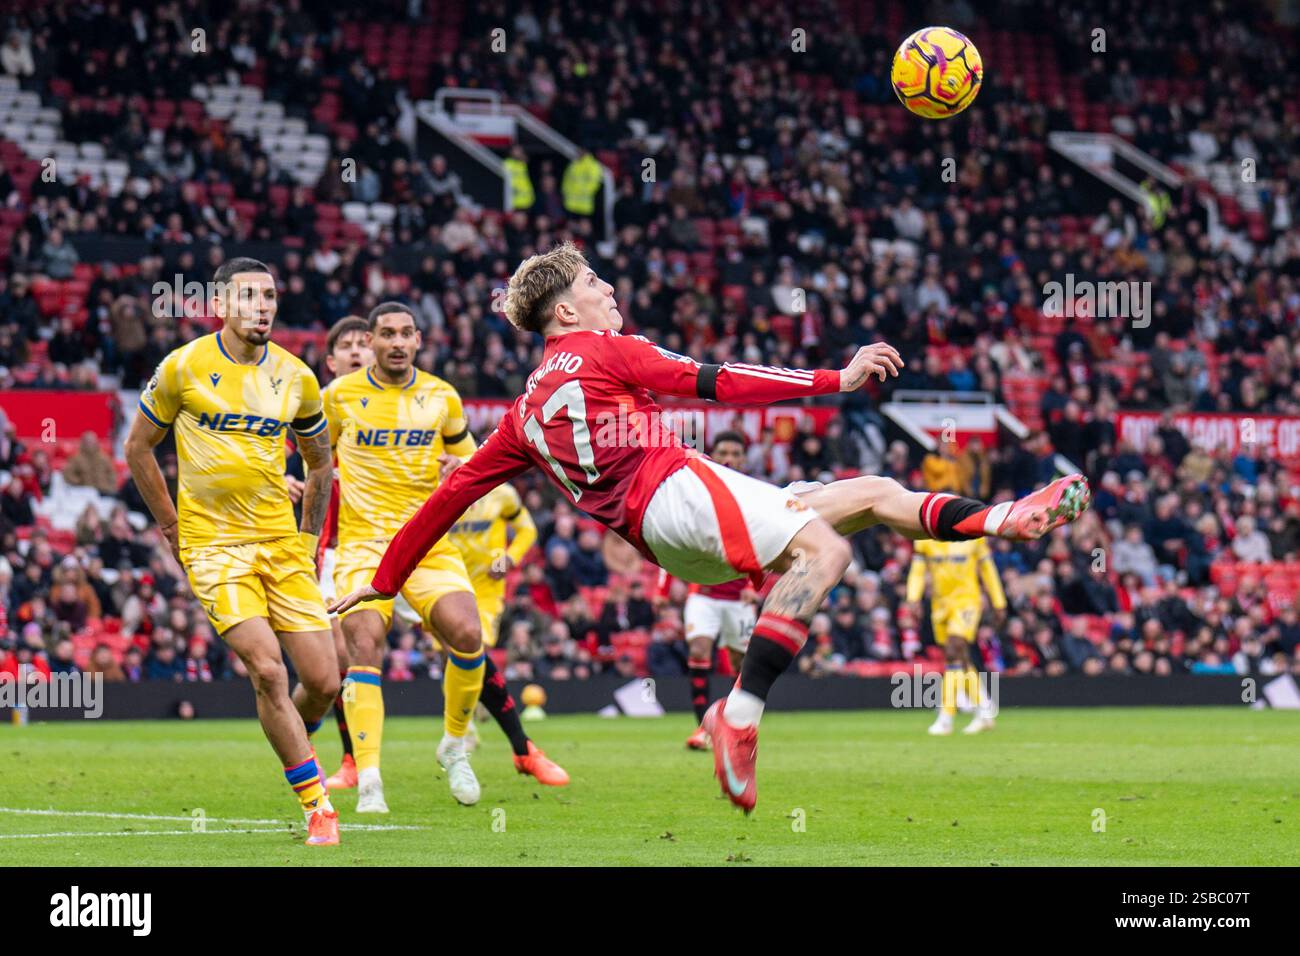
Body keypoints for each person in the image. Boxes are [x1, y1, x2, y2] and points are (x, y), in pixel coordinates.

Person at [331, 242, 1091, 813]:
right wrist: (838, 378)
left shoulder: (522, 414)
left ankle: (1005, 519)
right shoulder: (605, 351)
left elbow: (449, 496)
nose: (610, 290)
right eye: (596, 284)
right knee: (825, 551)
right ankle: (740, 713)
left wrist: (379, 581)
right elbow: (721, 382)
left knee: (873, 495)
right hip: (676, 490)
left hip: (668, 537)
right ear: (566, 311)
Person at [124, 257, 341, 845]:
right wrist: (172, 528)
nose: (263, 306)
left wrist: (307, 539)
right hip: (214, 545)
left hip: (281, 544)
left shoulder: (297, 378)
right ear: (221, 304)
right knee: (268, 669)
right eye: (249, 296)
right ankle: (317, 802)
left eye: (270, 296)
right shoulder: (184, 367)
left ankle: (294, 735)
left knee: (324, 680)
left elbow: (320, 464)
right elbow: (138, 449)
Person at [321, 302, 489, 808]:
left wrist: (455, 467)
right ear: (369, 341)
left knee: (468, 632)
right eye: (386, 334)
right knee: (363, 642)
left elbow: (475, 458)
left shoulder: (442, 396)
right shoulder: (339, 397)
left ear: (419, 340)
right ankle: (369, 778)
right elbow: (313, 461)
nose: (397, 342)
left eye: (406, 334)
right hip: (363, 546)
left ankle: (454, 746)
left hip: (427, 543)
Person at [444, 468, 570, 785]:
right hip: (445, 585)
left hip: (485, 591)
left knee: (473, 649)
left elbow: (526, 530)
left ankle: (468, 730)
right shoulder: (440, 488)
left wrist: (509, 559)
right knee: (451, 656)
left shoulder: (501, 493)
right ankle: (468, 721)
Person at [906, 535, 1006, 735]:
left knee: (953, 651)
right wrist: (913, 598)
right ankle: (984, 711)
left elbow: (988, 570)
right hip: (940, 606)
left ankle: (946, 717)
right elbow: (917, 571)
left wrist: (999, 601)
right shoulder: (925, 537)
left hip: (967, 602)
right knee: (960, 659)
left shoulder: (974, 536)